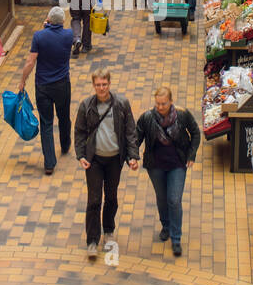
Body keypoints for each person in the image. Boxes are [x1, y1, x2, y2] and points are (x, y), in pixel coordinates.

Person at [73, 68, 138, 260]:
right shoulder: (86, 106)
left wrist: (132, 156)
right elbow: (79, 132)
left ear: (109, 84)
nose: (101, 88)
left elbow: (130, 131)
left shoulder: (121, 104)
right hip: (94, 160)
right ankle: (92, 240)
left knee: (111, 197)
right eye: (98, 85)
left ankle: (108, 229)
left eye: (104, 84)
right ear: (93, 85)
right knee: (94, 200)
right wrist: (81, 155)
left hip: (114, 159)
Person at [136, 85, 201, 257]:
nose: (160, 107)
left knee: (174, 199)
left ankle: (176, 237)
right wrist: (132, 156)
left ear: (171, 102)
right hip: (155, 166)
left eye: (164, 104)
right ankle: (165, 225)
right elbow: (137, 137)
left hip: (177, 164)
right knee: (162, 198)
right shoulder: (147, 118)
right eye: (157, 104)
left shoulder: (182, 115)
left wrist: (191, 154)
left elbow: (195, 133)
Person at [18, 7, 74, 174]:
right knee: (64, 116)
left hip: (43, 86)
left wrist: (22, 81)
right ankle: (65, 144)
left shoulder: (39, 36)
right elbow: (58, 38)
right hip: (62, 83)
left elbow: (30, 62)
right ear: (63, 21)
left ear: (48, 19)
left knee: (46, 122)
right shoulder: (69, 35)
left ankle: (49, 163)